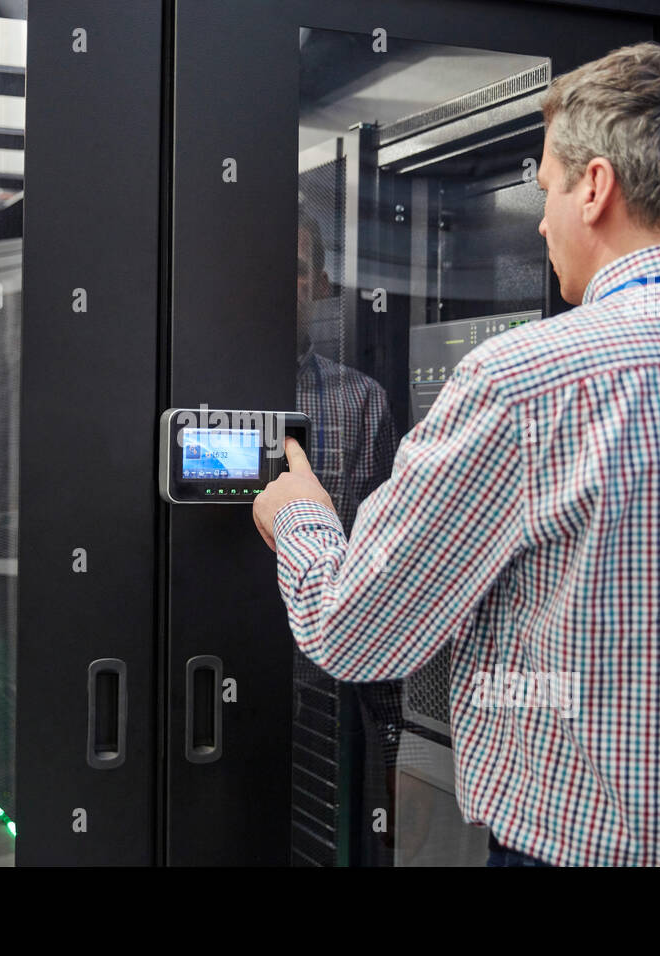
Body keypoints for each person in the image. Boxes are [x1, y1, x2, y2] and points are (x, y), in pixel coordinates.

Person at [253, 41, 660, 867]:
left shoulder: (521, 380)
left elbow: (355, 633)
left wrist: (301, 518)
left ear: (596, 188)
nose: (542, 217)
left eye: (546, 188)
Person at [294, 211, 404, 851]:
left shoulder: (358, 403)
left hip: (319, 709)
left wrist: (393, 746)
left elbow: (383, 585)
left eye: (296, 272)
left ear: (322, 284)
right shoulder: (178, 382)